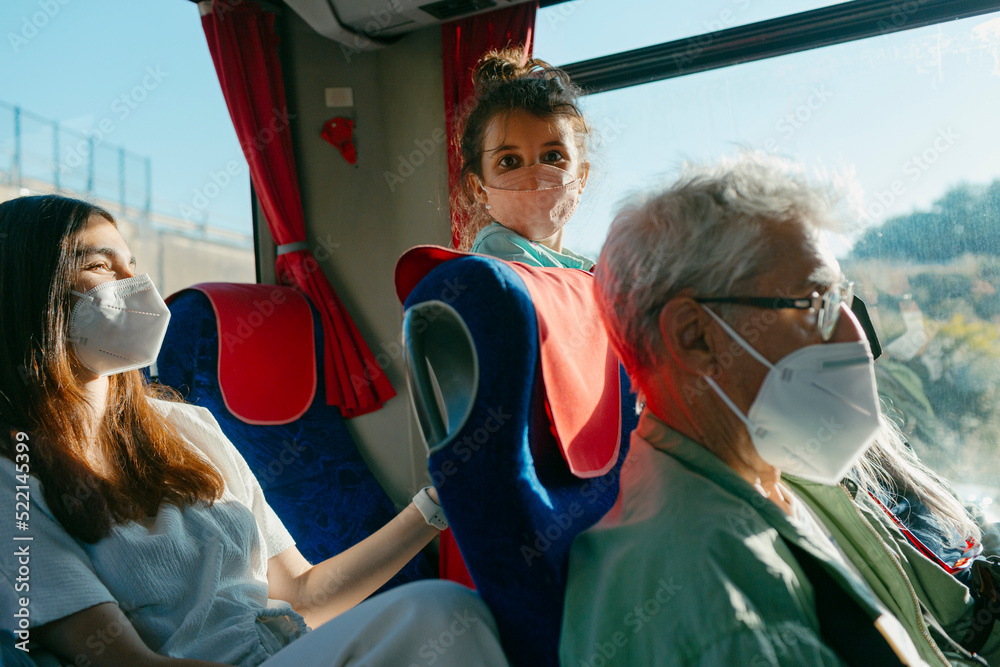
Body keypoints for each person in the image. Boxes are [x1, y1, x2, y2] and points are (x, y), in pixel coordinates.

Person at [0, 194, 509, 667]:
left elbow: (301, 593)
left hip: (286, 650)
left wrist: (437, 504)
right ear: (27, 293)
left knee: (453, 612)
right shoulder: (12, 479)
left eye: (132, 266)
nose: (137, 288)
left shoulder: (185, 428)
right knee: (436, 612)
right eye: (98, 266)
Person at [560, 154, 1000, 666]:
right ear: (695, 337)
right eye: (816, 304)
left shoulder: (763, 475)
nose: (856, 336)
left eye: (843, 299)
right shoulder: (724, 609)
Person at [453, 48, 595, 270]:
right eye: (509, 161)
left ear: (582, 175)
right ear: (478, 187)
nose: (534, 180)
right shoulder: (496, 264)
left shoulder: (584, 270)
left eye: (552, 156)